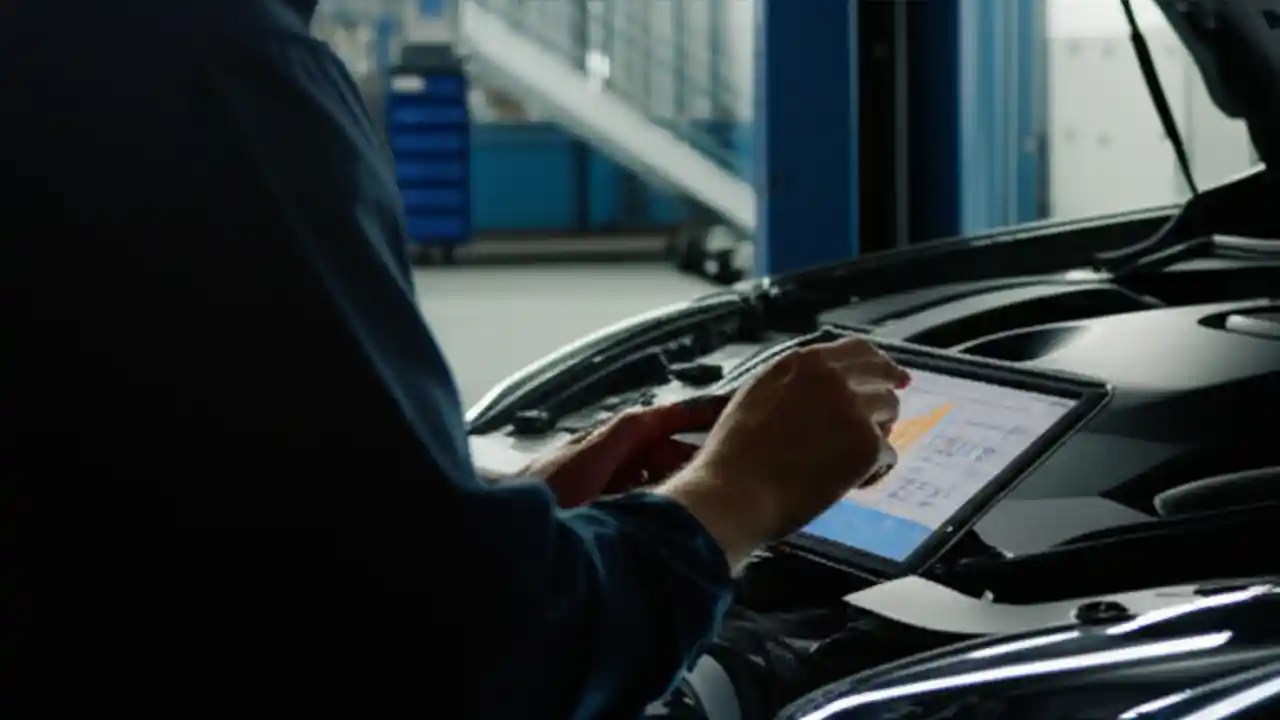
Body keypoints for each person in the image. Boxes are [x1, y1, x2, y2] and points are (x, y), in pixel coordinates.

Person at [0, 1, 909, 718]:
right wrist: (737, 495)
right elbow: (448, 657)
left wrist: (501, 523)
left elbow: (162, 534)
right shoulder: (208, 70)